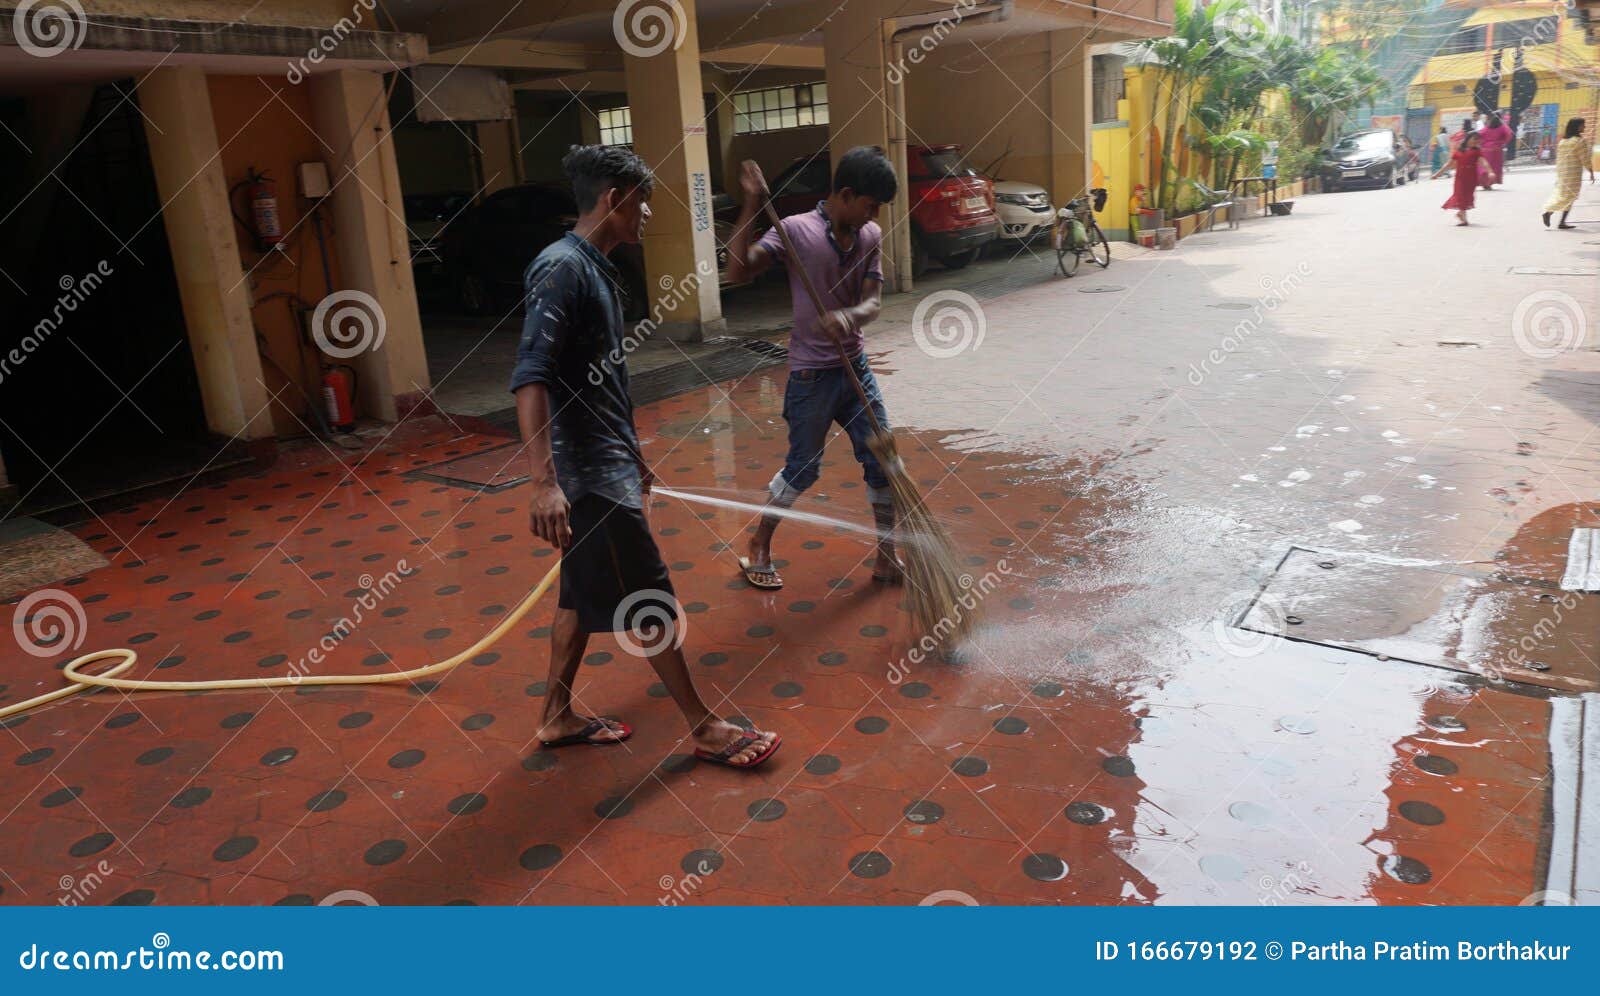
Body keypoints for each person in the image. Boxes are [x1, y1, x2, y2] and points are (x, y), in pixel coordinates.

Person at [512, 144, 780, 768]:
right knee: (651, 598)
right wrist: (543, 482)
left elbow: (601, 382)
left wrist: (633, 455)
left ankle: (555, 717)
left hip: (609, 465)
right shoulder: (560, 269)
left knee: (578, 601)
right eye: (642, 202)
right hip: (587, 480)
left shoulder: (597, 267)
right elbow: (532, 376)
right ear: (613, 200)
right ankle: (705, 728)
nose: (649, 215)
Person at [724, 146, 900, 591]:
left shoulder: (871, 235)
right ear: (845, 193)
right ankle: (759, 545)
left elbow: (874, 301)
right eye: (870, 204)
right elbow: (738, 271)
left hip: (855, 369)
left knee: (884, 461)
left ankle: (886, 556)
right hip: (811, 376)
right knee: (803, 469)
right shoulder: (794, 232)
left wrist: (850, 316)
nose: (873, 214)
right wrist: (750, 203)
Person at [1543, 117, 1596, 229]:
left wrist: (1560, 171)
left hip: (1563, 172)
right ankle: (1550, 213)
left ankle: (1559, 220)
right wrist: (1591, 171)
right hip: (1574, 174)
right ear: (1577, 127)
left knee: (1563, 195)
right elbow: (1585, 158)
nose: (1585, 127)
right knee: (1570, 197)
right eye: (1583, 125)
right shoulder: (1579, 141)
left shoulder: (1563, 141)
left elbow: (1559, 159)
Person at [1434, 130, 1494, 226]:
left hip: (1471, 177)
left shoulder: (1476, 151)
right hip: (1460, 178)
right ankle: (1464, 219)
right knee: (1460, 195)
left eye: (1478, 141)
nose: (1476, 142)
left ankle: (1461, 214)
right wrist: (1437, 174)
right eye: (1474, 139)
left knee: (1468, 196)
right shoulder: (1458, 151)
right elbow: (1449, 164)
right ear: (1468, 139)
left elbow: (1484, 162)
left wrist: (1490, 172)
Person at [1478, 112, 1513, 189]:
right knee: (1494, 167)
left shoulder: (1486, 128)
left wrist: (1482, 143)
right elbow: (1509, 135)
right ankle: (1489, 183)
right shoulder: (1502, 127)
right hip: (1496, 151)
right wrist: (1502, 142)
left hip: (1485, 150)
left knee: (1484, 166)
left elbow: (1479, 135)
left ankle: (1485, 182)